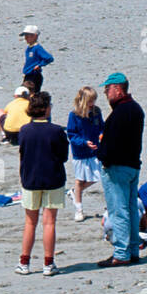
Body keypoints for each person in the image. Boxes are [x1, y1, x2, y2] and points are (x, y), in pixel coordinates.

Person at [96, 72, 145, 267]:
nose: (106, 93)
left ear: (118, 88)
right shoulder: (135, 109)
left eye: (107, 89)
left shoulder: (121, 112)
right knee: (131, 209)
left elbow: (114, 143)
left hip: (117, 167)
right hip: (132, 165)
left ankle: (121, 253)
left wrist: (102, 156)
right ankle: (133, 250)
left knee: (119, 211)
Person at [16, 91, 67, 277]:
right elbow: (64, 156)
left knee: (30, 222)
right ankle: (48, 263)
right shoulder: (57, 131)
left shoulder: (25, 130)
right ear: (45, 108)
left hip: (30, 179)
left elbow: (22, 152)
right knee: (49, 222)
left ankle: (24, 262)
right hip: (53, 179)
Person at [66, 86, 104, 223]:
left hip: (95, 150)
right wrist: (84, 142)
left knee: (97, 176)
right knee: (79, 180)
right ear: (82, 100)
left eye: (94, 100)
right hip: (80, 152)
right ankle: (79, 209)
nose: (92, 103)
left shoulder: (96, 112)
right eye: (90, 101)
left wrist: (101, 136)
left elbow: (101, 127)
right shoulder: (74, 115)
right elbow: (71, 134)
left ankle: (75, 192)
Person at [20, 25, 54, 92]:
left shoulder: (37, 48)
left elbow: (49, 58)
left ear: (35, 36)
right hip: (28, 75)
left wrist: (39, 65)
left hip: (34, 75)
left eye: (28, 35)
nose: (26, 38)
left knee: (30, 94)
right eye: (25, 36)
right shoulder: (29, 48)